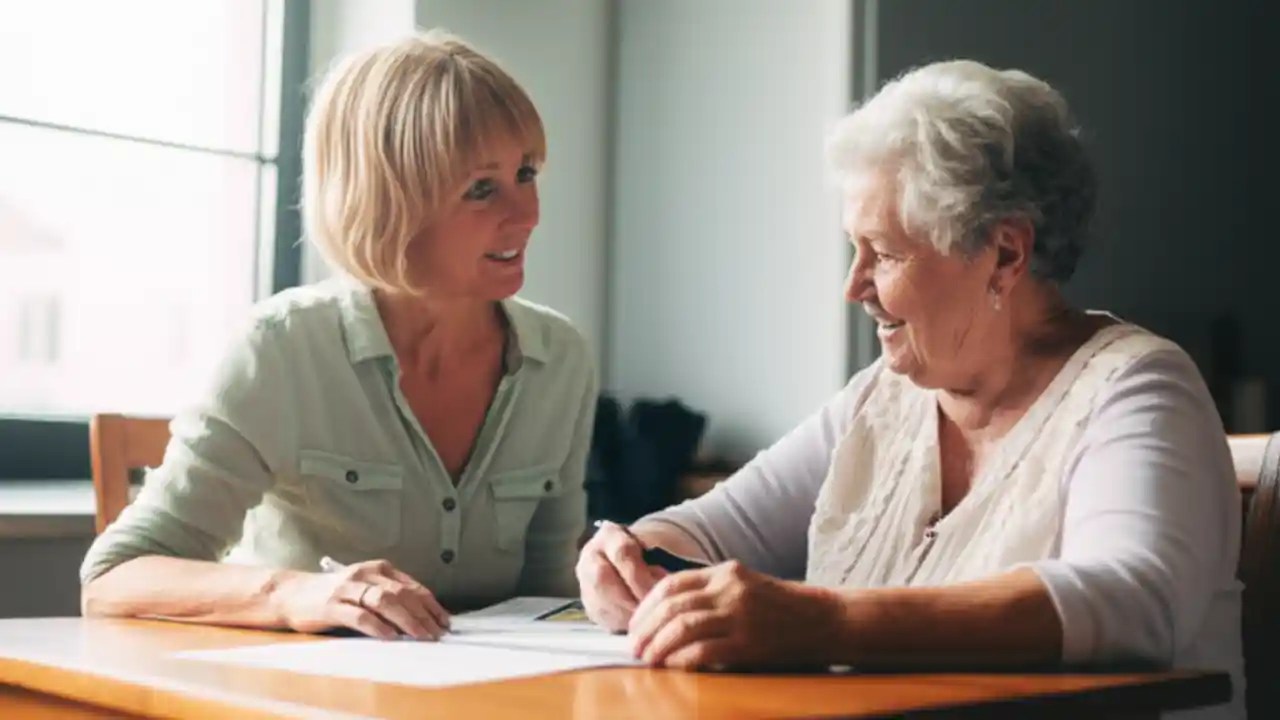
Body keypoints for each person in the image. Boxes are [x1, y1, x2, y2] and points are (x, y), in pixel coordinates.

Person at [577, 60, 1242, 718]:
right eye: (853, 248)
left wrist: (821, 622)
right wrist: (625, 560)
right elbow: (708, 533)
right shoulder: (883, 401)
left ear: (1006, 255)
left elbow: (1132, 602)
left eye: (885, 253)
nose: (853, 286)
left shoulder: (1138, 389)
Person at [80, 31, 597, 642]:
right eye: (483, 188)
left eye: (526, 173)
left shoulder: (562, 359)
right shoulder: (280, 349)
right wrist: (297, 593)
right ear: (389, 200)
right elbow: (113, 578)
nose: (529, 213)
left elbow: (547, 592)